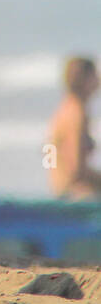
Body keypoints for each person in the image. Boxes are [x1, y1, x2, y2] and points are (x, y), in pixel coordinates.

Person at [47, 56, 101, 200]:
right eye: (95, 74)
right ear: (84, 79)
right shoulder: (77, 112)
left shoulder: (65, 108)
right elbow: (76, 169)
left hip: (60, 187)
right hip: (74, 193)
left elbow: (48, 153)